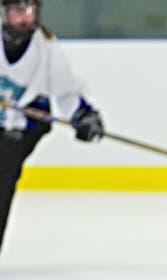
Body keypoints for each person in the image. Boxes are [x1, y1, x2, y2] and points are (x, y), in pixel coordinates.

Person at [0, 0, 103, 253]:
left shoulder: (46, 47)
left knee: (3, 178)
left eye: (30, 10)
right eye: (17, 10)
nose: (24, 17)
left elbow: (67, 90)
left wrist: (84, 115)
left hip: (23, 130)